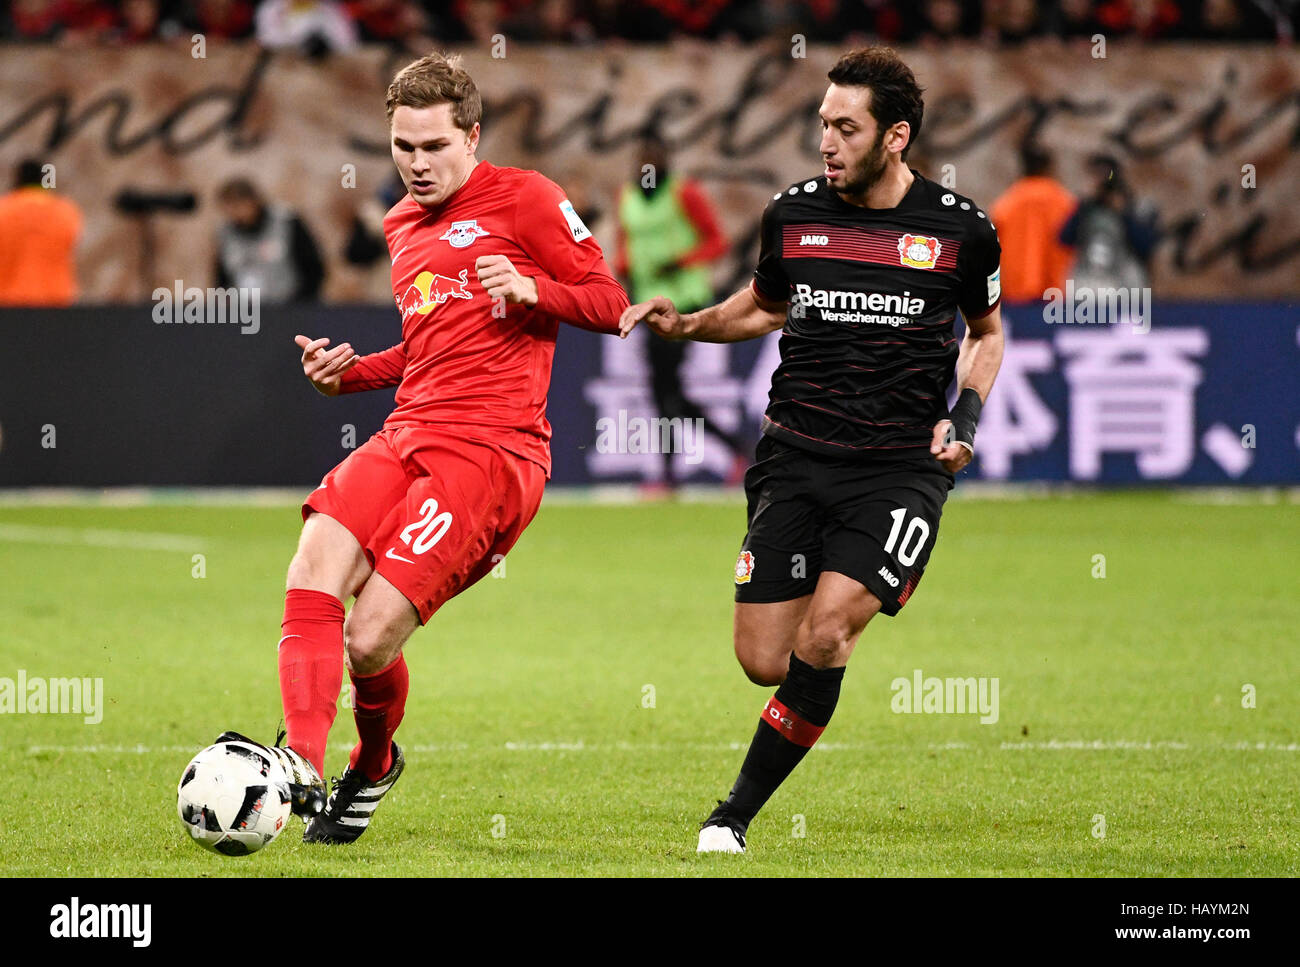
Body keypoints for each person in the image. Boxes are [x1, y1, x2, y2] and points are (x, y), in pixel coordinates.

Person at [215, 51, 629, 845]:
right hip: (408, 429)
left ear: (472, 136)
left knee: (368, 637)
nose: (417, 164)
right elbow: (429, 345)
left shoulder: (530, 198)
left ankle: (370, 765)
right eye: (404, 147)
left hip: (493, 455)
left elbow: (611, 303)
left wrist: (535, 290)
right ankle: (299, 761)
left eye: (434, 146)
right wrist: (348, 376)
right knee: (313, 562)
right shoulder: (401, 224)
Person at [619, 46, 1004, 854]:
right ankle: (815, 677)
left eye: (845, 127)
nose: (824, 141)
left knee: (824, 634)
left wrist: (963, 415)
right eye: (822, 122)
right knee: (764, 658)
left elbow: (987, 334)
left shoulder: (960, 231)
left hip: (900, 468)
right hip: (794, 456)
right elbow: (762, 306)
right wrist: (688, 323)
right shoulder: (794, 214)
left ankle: (732, 815)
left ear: (895, 137)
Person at [615, 134, 749, 490]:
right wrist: (624, 269)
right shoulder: (628, 196)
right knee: (666, 392)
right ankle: (732, 451)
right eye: (644, 156)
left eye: (655, 156)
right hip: (646, 304)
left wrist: (680, 263)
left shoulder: (683, 192)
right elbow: (625, 244)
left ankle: (672, 474)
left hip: (682, 304)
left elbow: (717, 241)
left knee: (666, 391)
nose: (649, 164)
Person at [1059, 153, 1158, 295]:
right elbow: (1064, 239)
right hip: (1088, 281)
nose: (1102, 182)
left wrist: (1124, 213)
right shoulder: (1085, 209)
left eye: (1107, 176)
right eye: (1096, 176)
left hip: (1124, 282)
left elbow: (1145, 245)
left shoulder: (1135, 206)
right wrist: (1085, 205)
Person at [214, 178, 326, 302]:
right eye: (228, 207)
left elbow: (313, 266)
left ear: (253, 201)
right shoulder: (225, 234)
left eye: (238, 205)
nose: (234, 212)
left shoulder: (286, 223)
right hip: (247, 311)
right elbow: (222, 276)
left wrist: (302, 303)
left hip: (289, 307)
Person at [989, 143, 1075, 301]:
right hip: (1055, 290)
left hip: (1017, 289)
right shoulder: (1063, 200)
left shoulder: (1009, 200)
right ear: (1049, 167)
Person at [0, 159, 82, 306]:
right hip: (55, 300)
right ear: (44, 179)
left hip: (8, 301)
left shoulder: (3, 210)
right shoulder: (65, 211)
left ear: (17, 179)